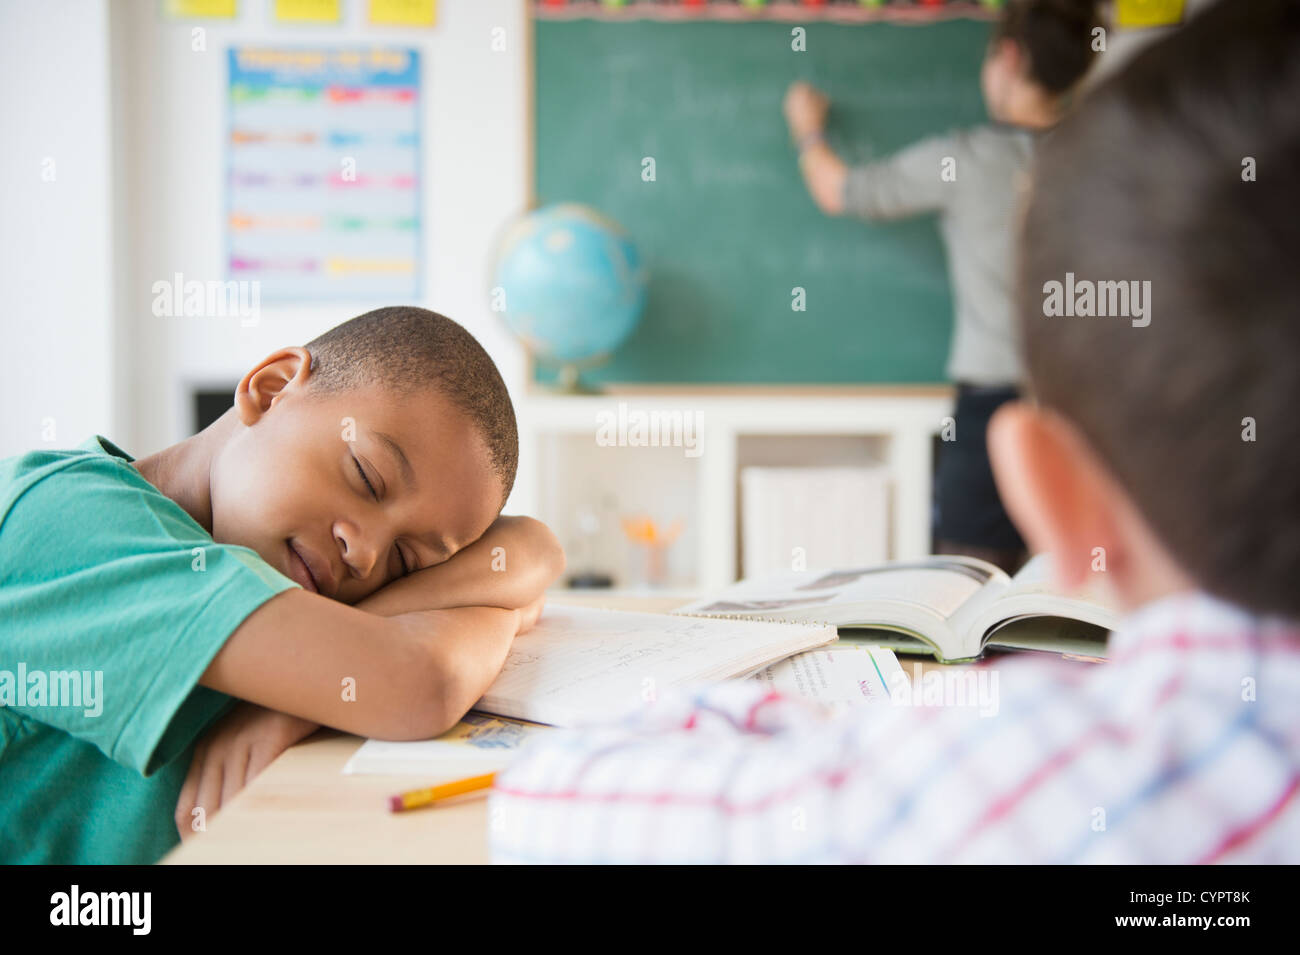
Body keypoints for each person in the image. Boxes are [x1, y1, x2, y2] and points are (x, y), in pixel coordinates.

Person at [488, 0, 1300, 864]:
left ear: (1010, 58)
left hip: (1001, 404)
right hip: (1096, 423)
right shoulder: (1123, 177)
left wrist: (808, 130)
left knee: (980, 607)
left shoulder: (991, 788)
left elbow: (547, 795)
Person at [0, 306, 565, 863]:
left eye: (407, 560)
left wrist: (302, 702)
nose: (365, 555)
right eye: (368, 478)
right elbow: (423, 682)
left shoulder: (243, 560)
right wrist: (500, 613)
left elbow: (532, 548)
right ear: (271, 388)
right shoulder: (68, 520)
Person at [783, 0, 1105, 573]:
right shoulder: (1106, 157)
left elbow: (842, 191)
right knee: (1077, 598)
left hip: (989, 412)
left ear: (1009, 57)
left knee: (966, 594)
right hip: (1086, 409)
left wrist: (808, 133)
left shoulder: (965, 159)